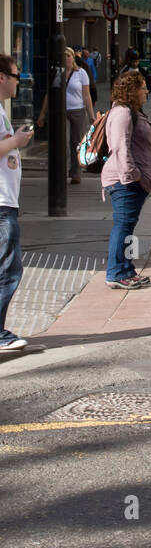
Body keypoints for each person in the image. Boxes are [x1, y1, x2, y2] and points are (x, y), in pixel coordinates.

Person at [101, 69, 151, 288]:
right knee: (123, 226)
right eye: (143, 87)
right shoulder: (123, 114)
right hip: (124, 181)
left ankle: (127, 269)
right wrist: (132, 176)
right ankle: (116, 273)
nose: (146, 91)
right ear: (132, 91)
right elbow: (119, 147)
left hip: (133, 181)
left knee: (128, 226)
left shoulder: (132, 111)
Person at [0, 54, 34, 352]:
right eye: (15, 75)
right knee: (8, 269)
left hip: (5, 201)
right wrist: (16, 142)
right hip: (0, 204)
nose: (18, 81)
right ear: (1, 77)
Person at [36, 47, 95, 185]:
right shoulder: (56, 73)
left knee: (77, 143)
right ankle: (60, 173)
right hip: (60, 112)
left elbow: (87, 96)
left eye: (68, 56)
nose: (66, 58)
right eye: (63, 56)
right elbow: (49, 94)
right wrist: (42, 114)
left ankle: (76, 173)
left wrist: (91, 115)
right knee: (62, 143)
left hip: (78, 111)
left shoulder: (81, 73)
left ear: (73, 57)